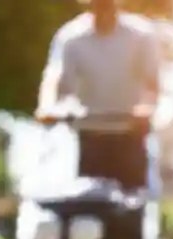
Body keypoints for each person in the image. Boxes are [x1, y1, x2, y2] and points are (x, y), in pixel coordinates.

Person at [36, 0, 164, 191]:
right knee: (90, 202)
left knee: (132, 204)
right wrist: (47, 106)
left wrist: (146, 108)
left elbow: (152, 83)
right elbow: (55, 79)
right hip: (90, 136)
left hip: (130, 135)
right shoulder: (72, 38)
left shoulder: (141, 36)